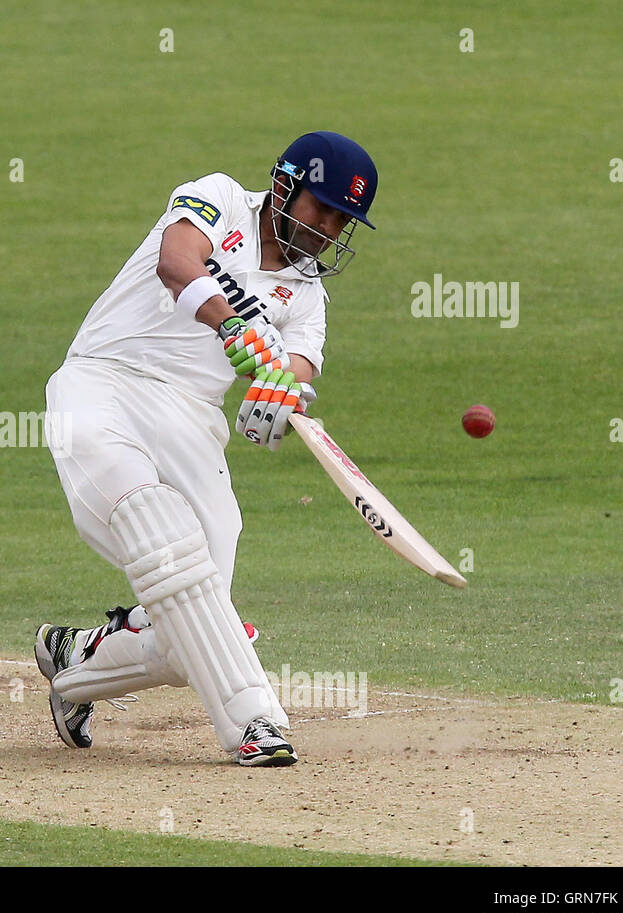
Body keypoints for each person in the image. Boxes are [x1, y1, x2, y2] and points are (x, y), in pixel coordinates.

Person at [34, 131, 378, 765]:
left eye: (343, 221)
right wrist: (232, 321)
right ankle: (256, 721)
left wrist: (279, 390)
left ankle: (75, 664)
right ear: (285, 186)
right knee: (160, 537)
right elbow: (177, 262)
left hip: (191, 422)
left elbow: (298, 365)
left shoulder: (306, 298)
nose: (330, 229)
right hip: (101, 381)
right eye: (322, 209)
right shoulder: (216, 197)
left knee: (187, 621)